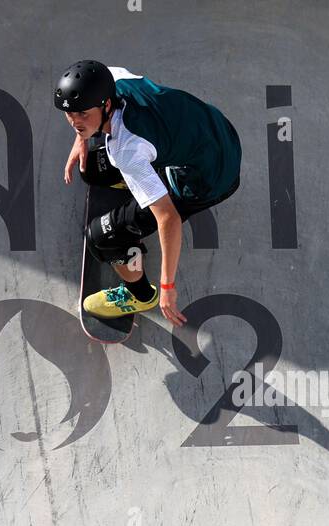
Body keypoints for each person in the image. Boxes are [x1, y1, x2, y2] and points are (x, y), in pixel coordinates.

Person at [57, 60, 242, 326]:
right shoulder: (113, 79)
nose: (75, 122)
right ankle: (142, 181)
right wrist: (82, 135)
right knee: (91, 170)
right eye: (70, 114)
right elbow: (85, 109)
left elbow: (168, 219)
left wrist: (167, 286)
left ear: (105, 105)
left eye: (83, 115)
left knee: (99, 237)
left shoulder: (127, 150)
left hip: (206, 180)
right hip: (217, 132)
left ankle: (139, 294)